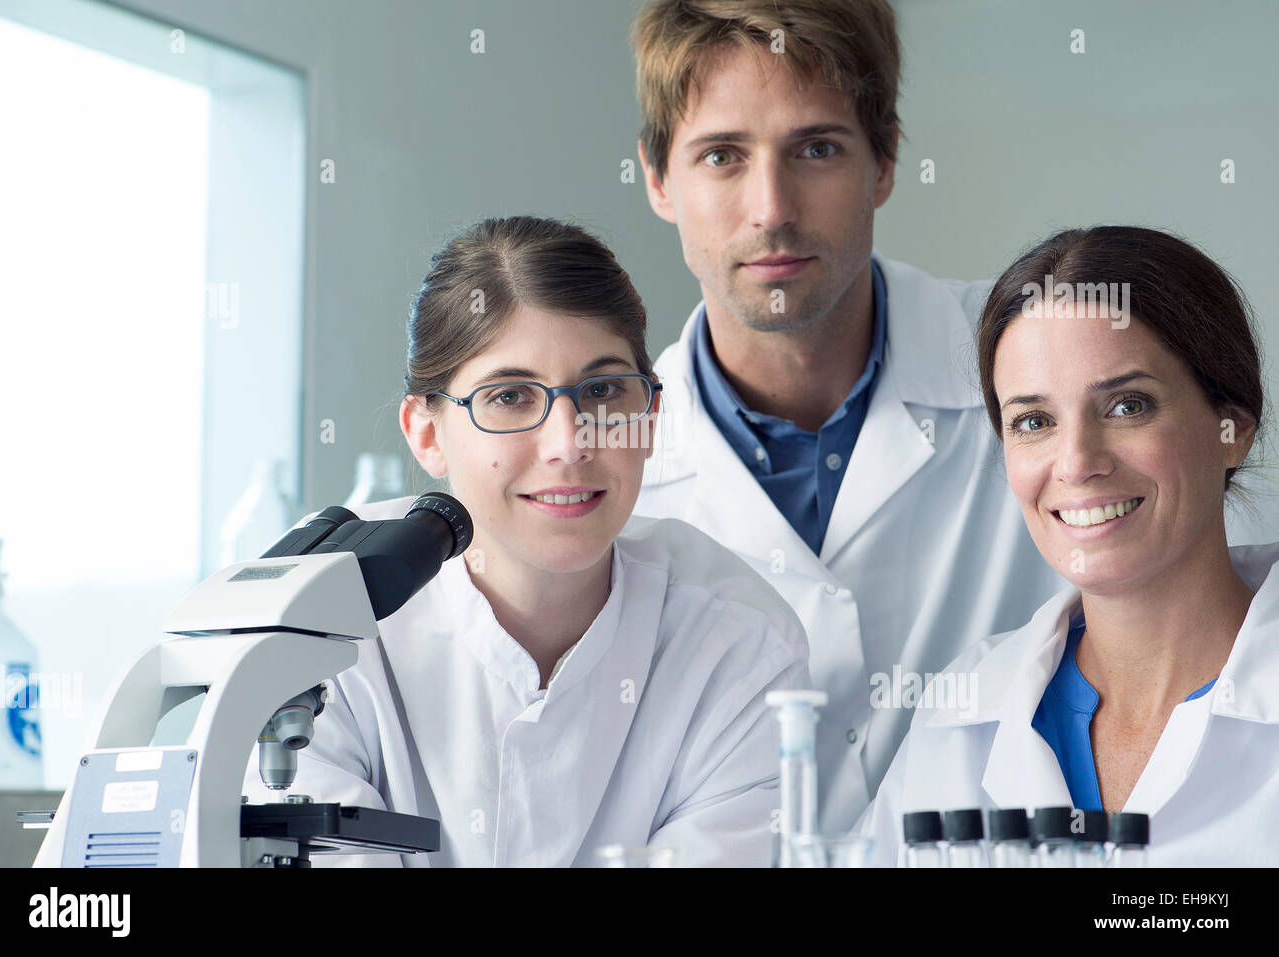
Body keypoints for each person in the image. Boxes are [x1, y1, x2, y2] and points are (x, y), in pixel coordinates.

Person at [242, 215, 811, 867]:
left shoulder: (738, 645)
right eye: (510, 396)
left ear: (650, 419)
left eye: (600, 391)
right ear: (426, 433)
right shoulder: (319, 623)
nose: (569, 444)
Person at [628, 0, 1066, 832]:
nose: (772, 208)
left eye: (817, 148)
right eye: (722, 156)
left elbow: (1208, 600)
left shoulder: (1034, 366)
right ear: (657, 179)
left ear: (886, 159)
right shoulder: (606, 463)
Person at [855, 225, 1279, 865]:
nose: (1077, 462)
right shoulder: (959, 719)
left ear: (1233, 428)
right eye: (1034, 421)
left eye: (1128, 406)